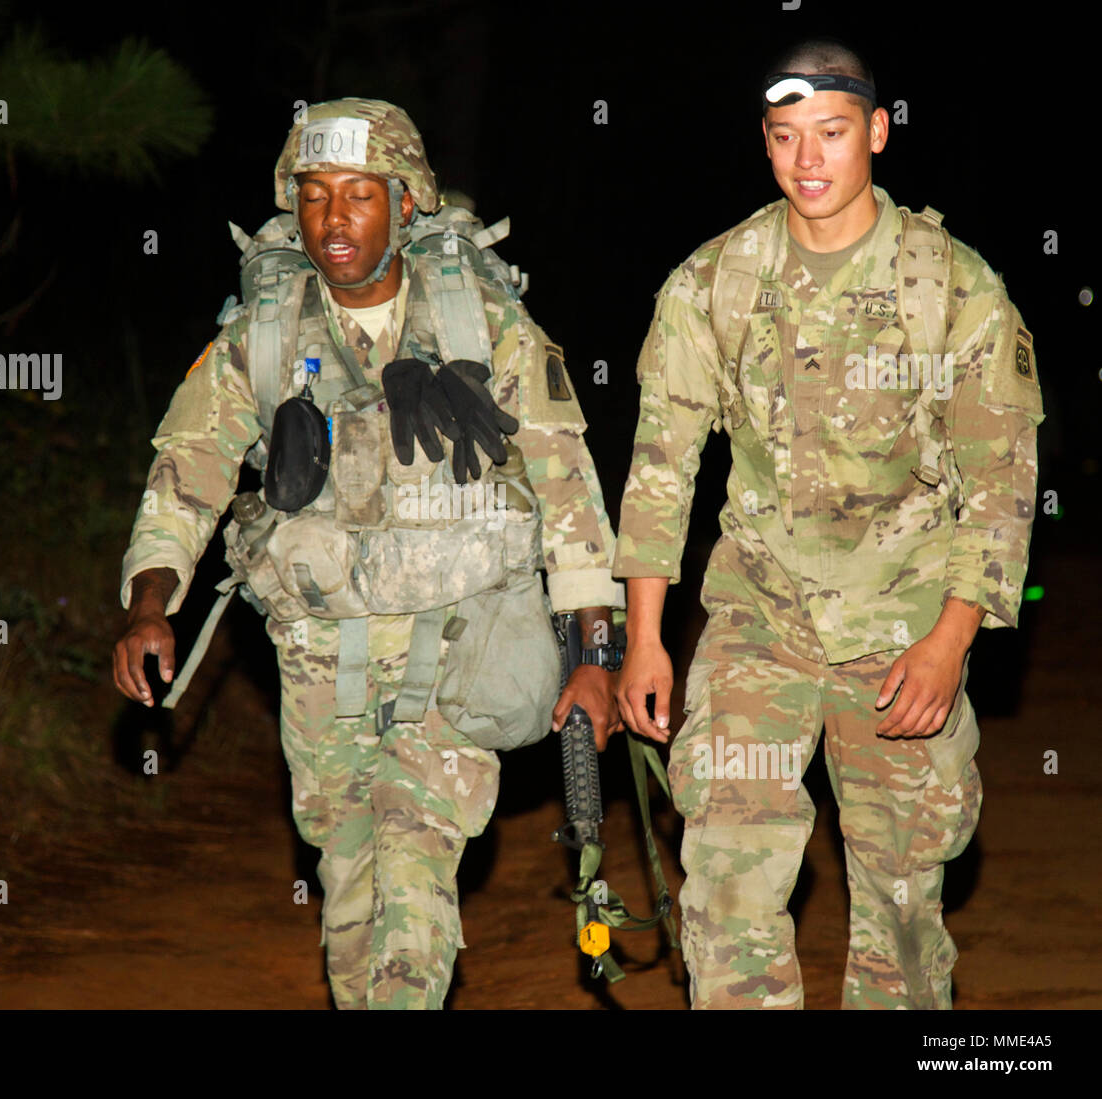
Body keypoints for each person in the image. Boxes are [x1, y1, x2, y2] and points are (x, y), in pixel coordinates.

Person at [111, 98, 625, 1009]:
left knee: (415, 898)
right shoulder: (263, 334)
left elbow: (567, 480)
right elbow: (186, 470)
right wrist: (151, 603)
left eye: (357, 194)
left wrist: (595, 658)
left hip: (458, 651)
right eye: (313, 195)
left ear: (405, 201)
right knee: (351, 918)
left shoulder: (482, 323)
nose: (333, 218)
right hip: (317, 669)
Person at [611, 40, 1044, 1009]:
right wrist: (643, 639)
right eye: (784, 138)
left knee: (897, 901)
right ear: (763, 146)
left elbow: (999, 480)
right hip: (758, 615)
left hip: (902, 626)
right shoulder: (712, 282)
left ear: (877, 133)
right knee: (724, 870)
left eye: (832, 133)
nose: (808, 160)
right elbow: (659, 469)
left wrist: (948, 639)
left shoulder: (954, 287)